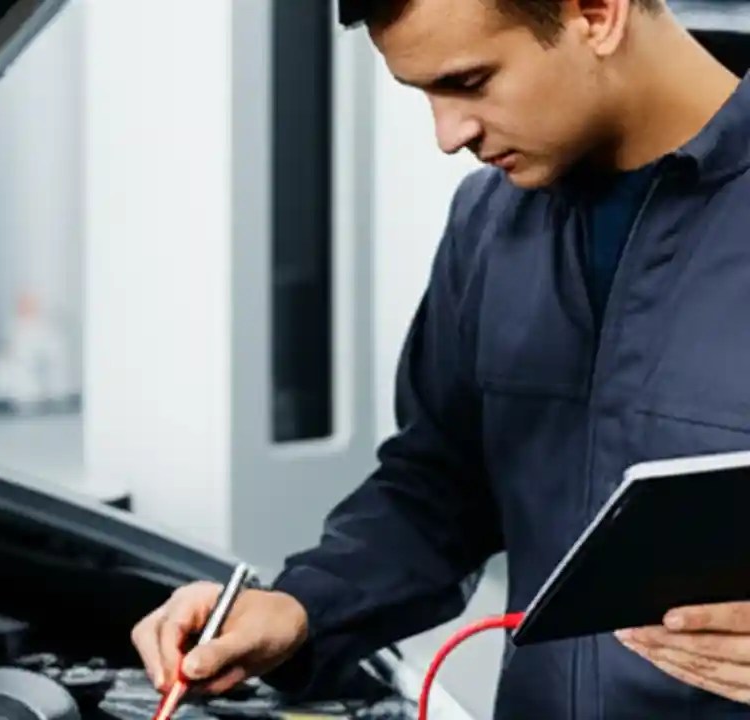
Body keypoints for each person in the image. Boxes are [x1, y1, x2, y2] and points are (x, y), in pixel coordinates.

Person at [130, 0, 750, 715]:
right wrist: (299, 608)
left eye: (470, 82)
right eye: (425, 93)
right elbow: (440, 490)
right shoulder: (488, 224)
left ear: (596, 13)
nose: (448, 134)